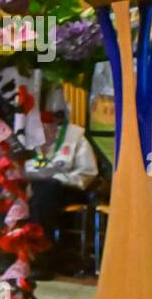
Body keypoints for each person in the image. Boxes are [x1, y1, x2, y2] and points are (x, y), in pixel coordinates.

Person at [19, 109, 98, 280]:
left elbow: (87, 173)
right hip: (32, 187)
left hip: (66, 189)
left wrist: (54, 177)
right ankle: (12, 255)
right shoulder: (25, 137)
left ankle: (41, 260)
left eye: (50, 122)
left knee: (45, 189)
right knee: (10, 189)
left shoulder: (75, 137)